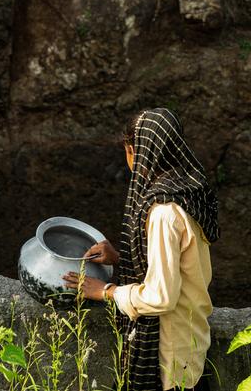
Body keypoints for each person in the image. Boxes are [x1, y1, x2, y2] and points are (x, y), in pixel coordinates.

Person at [62, 108, 220, 391]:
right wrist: (121, 259)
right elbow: (179, 269)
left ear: (133, 149)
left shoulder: (162, 212)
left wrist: (105, 291)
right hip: (190, 339)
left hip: (169, 356)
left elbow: (161, 297)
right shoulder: (187, 192)